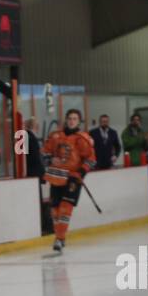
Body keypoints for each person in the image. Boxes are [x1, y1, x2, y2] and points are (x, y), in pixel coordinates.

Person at [43, 108, 95, 253]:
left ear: (79, 121)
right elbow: (45, 152)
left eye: (75, 119)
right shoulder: (56, 136)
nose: (72, 121)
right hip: (56, 176)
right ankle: (61, 236)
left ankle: (59, 239)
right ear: (66, 119)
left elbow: (91, 159)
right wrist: (49, 159)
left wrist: (81, 172)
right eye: (70, 118)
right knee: (55, 211)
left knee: (65, 209)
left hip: (73, 178)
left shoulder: (82, 139)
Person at [23, 117, 50, 236]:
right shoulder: (29, 137)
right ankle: (42, 226)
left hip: (33, 174)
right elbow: (34, 158)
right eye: (36, 125)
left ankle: (43, 225)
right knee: (37, 201)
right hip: (33, 175)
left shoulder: (28, 136)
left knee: (39, 201)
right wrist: (42, 172)